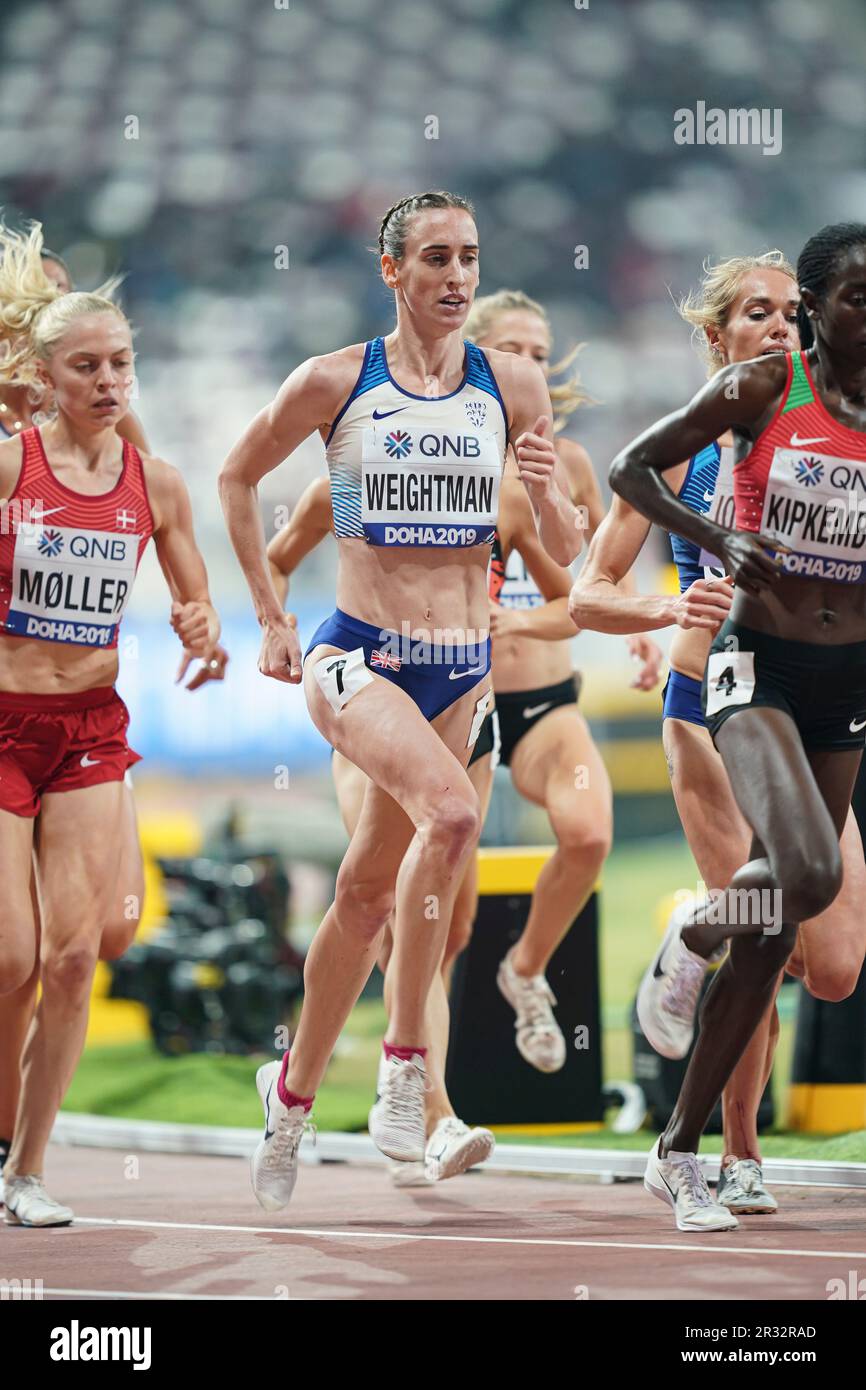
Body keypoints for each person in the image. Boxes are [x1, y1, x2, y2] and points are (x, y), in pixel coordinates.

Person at [219, 190, 585, 1212]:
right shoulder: (338, 382)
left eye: (468, 256)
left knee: (365, 893)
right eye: (435, 258)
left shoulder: (509, 385)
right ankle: (402, 1070)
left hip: (458, 664)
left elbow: (555, 552)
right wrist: (267, 613)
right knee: (455, 813)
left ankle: (288, 1097)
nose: (456, 276)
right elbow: (236, 476)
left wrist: (552, 492)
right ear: (392, 270)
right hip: (356, 657)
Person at [571, 250, 866, 1220]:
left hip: (829, 686)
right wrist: (665, 615)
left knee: (823, 960)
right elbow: (588, 591)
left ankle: (687, 935)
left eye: (791, 312)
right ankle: (731, 1152)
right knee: (781, 904)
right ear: (715, 334)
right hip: (714, 700)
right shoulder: (712, 435)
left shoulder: (825, 412)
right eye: (757, 313)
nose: (780, 328)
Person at [0, 230, 228, 1213]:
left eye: (120, 363)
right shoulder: (12, 466)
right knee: (10, 954)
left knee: (79, 950)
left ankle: (29, 1168)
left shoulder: (153, 479)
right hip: (3, 724)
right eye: (85, 365)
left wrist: (203, 624)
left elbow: (195, 594)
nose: (107, 380)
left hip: (91, 729)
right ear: (42, 374)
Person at [267, 486, 497, 1183]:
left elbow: (568, 583)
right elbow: (277, 555)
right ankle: (427, 1109)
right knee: (387, 913)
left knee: (447, 925)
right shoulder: (344, 475)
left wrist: (552, 502)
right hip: (373, 703)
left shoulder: (500, 486)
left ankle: (302, 1092)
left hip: (468, 702)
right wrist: (273, 623)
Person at [466, 290, 662, 1069]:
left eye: (542, 355)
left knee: (588, 832)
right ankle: (409, 1065)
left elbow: (598, 578)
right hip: (452, 700)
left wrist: (639, 630)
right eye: (512, 352)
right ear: (473, 358)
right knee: (432, 882)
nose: (531, 368)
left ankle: (525, 969)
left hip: (542, 698)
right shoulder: (433, 454)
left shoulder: (574, 464)